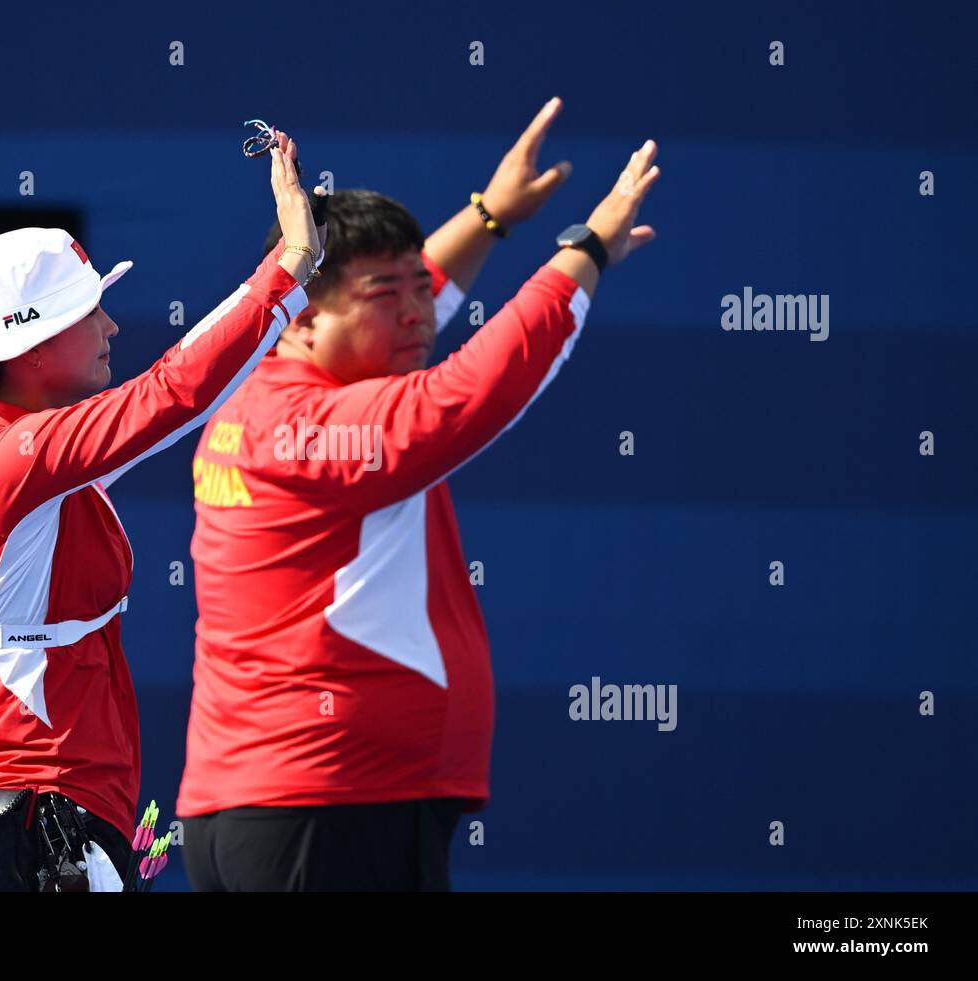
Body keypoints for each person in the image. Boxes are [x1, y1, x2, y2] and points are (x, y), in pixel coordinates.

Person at [178, 99, 662, 891]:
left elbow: (402, 303)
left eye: (416, 288)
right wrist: (587, 249)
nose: (417, 313)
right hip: (326, 814)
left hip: (290, 810)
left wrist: (488, 216)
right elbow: (471, 390)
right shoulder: (314, 428)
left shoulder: (266, 382)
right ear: (301, 314)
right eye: (386, 295)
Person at [0, 131, 325, 890]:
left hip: (66, 826)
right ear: (34, 346)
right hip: (43, 833)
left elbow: (169, 398)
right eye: (92, 314)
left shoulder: (31, 454)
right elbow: (170, 394)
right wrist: (291, 266)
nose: (111, 327)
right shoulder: (11, 463)